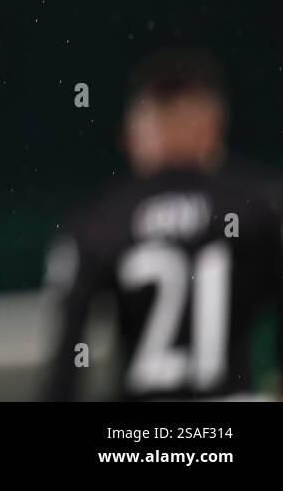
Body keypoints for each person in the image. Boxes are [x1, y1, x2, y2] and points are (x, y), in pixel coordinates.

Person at [44, 49, 283, 400]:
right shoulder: (260, 206)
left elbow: (67, 361)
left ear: (146, 126)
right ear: (212, 123)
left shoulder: (102, 219)